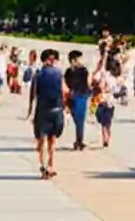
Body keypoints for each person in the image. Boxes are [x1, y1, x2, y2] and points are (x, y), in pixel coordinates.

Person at [30, 48, 66, 180]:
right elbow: (64, 91)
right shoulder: (59, 74)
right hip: (56, 110)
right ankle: (50, 165)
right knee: (52, 140)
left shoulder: (38, 74)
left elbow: (33, 94)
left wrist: (30, 112)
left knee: (43, 139)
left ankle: (44, 165)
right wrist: (65, 106)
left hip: (42, 110)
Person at [64, 50, 91, 151]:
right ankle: (79, 141)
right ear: (73, 60)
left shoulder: (83, 70)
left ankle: (79, 141)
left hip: (81, 96)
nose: (81, 60)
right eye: (79, 58)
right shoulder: (69, 71)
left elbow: (87, 82)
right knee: (77, 120)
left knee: (80, 120)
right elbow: (66, 83)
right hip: (73, 96)